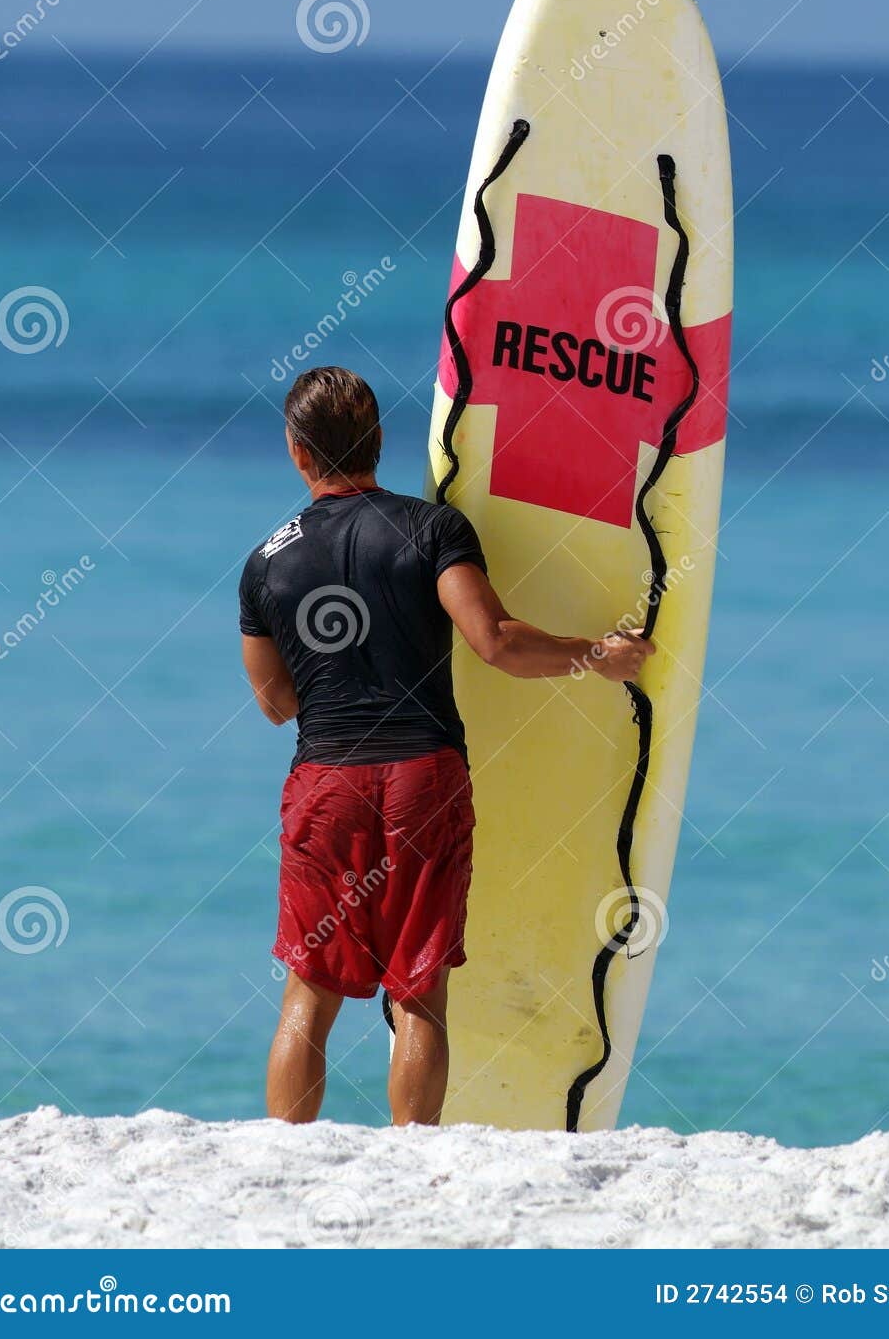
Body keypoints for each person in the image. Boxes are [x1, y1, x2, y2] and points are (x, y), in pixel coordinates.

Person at [239, 366, 653, 1127]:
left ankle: (284, 1157)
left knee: (310, 984)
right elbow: (494, 642)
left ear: (298, 453)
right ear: (380, 442)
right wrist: (600, 654)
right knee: (418, 989)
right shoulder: (429, 530)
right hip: (421, 778)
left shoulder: (267, 561)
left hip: (326, 781)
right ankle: (410, 1157)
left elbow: (272, 703)